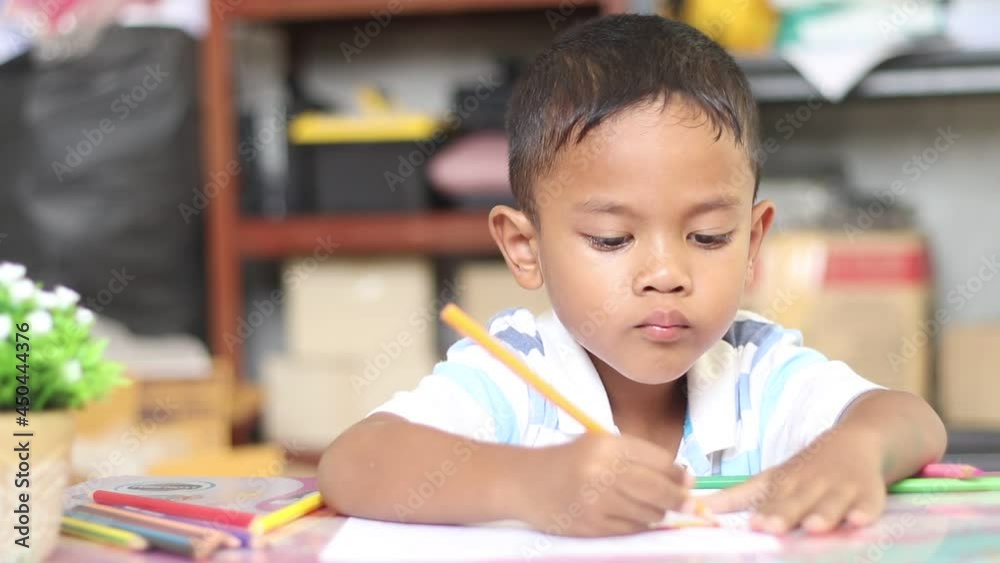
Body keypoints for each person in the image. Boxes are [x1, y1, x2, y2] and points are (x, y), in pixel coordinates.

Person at [318, 14, 946, 537]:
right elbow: (353, 464)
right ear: (524, 247)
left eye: (709, 237)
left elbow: (912, 419)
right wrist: (529, 482)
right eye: (612, 239)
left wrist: (854, 450)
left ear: (754, 243)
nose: (667, 274)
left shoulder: (759, 372)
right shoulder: (516, 376)